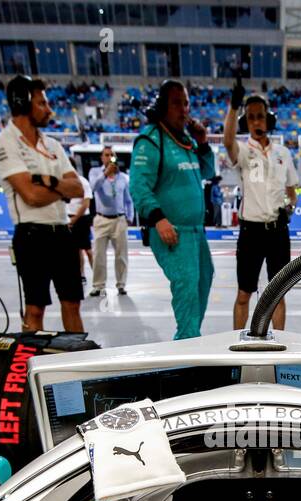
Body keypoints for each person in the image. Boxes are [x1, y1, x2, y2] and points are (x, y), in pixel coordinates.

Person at [0, 75, 85, 333]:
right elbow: (30, 196)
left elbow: (77, 188)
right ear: (22, 103)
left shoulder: (52, 144)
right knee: (34, 308)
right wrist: (59, 187)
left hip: (62, 232)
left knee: (72, 303)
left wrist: (45, 181)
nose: (49, 110)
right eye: (42, 103)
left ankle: (76, 364)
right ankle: (28, 370)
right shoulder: (5, 142)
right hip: (31, 234)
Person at [129, 80, 215, 340]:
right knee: (187, 287)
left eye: (186, 102)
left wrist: (203, 143)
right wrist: (158, 219)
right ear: (162, 107)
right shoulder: (151, 140)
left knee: (203, 281)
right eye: (176, 103)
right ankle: (186, 352)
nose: (184, 109)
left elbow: (208, 172)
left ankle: (189, 339)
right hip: (172, 231)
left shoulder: (186, 141)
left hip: (196, 232)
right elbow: (138, 186)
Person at [223, 79, 298, 332]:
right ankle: (235, 342)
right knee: (244, 293)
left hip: (278, 232)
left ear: (269, 120)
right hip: (250, 233)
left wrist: (289, 206)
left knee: (278, 294)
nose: (257, 121)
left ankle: (280, 346)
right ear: (246, 122)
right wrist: (234, 108)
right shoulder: (243, 152)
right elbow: (227, 142)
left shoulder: (283, 154)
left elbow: (292, 190)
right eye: (251, 117)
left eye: (261, 116)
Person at [88, 145, 132, 296]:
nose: (108, 157)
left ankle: (121, 284)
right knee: (99, 254)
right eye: (105, 155)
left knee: (121, 255)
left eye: (111, 155)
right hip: (101, 219)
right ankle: (98, 285)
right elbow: (93, 187)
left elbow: (128, 200)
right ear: (101, 157)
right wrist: (105, 174)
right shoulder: (95, 172)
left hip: (119, 219)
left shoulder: (124, 178)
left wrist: (130, 216)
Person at [67, 165, 93, 290]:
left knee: (88, 250)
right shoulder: (64, 182)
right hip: (69, 217)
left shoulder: (83, 182)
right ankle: (81, 274)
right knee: (76, 250)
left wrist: (75, 219)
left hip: (82, 219)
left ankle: (97, 277)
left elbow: (86, 203)